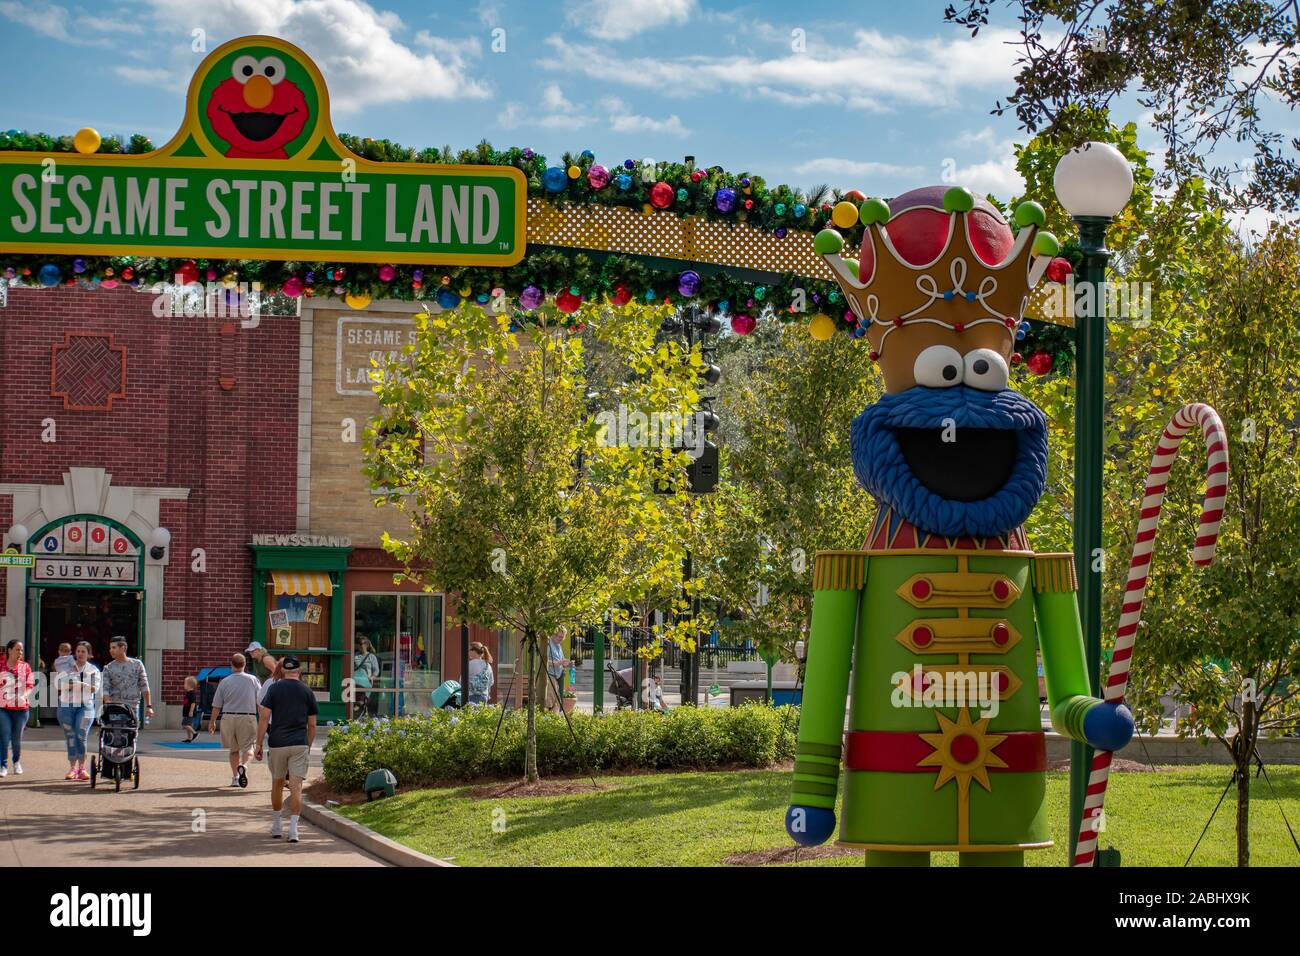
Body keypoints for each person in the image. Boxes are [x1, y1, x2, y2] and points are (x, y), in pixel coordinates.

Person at [255, 657, 317, 843]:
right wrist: (308, 745)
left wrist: (258, 743)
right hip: (299, 743)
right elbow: (312, 725)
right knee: (296, 787)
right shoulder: (307, 691)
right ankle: (293, 830)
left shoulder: (274, 688)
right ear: (299, 671)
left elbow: (264, 717)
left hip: (277, 742)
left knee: (277, 784)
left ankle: (276, 825)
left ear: (283, 671)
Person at [209, 653, 261, 788]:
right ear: (244, 665)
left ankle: (235, 778)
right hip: (248, 716)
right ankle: (244, 766)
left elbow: (217, 705)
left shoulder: (225, 681)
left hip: (228, 717)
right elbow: (261, 701)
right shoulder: (253, 680)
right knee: (249, 747)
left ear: (231, 665)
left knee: (233, 750)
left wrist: (212, 721)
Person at [55, 641, 100, 780]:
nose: (80, 654)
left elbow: (95, 688)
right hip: (66, 706)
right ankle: (72, 768)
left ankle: (82, 768)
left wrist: (81, 684)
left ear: (89, 654)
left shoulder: (93, 670)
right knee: (71, 735)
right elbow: (58, 685)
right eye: (78, 651)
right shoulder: (67, 667)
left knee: (81, 735)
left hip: (85, 706)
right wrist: (68, 683)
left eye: (83, 652)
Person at [0, 640, 34, 777]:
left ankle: (16, 762)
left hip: (21, 710)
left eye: (21, 650)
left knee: (16, 740)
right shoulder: (1, 665)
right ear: (9, 650)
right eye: (17, 649)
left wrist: (24, 696)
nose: (20, 652)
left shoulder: (25, 667)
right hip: (3, 708)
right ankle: (3, 765)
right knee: (4, 736)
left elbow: (30, 685)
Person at [100, 637, 153, 725]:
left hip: (132, 707)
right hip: (115, 708)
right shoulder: (108, 668)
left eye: (114, 647)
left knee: (130, 736)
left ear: (123, 648)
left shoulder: (137, 664)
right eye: (110, 648)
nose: (110, 650)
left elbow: (144, 686)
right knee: (116, 736)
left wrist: (149, 706)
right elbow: (105, 689)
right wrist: (108, 705)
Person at [352, 637, 380, 717]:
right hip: (355, 679)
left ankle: (360, 705)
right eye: (358, 644)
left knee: (363, 696)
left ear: (366, 645)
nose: (360, 646)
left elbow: (376, 671)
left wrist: (372, 677)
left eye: (361, 644)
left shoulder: (372, 657)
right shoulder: (355, 655)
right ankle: (358, 706)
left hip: (365, 681)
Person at [546, 631, 571, 713]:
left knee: (557, 698)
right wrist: (556, 663)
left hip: (558, 674)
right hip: (550, 674)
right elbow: (544, 660)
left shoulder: (558, 645)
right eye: (559, 637)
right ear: (554, 635)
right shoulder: (548, 644)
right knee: (551, 697)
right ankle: (549, 716)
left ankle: (555, 716)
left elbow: (561, 659)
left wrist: (565, 663)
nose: (561, 639)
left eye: (562, 637)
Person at [181, 676, 201, 743]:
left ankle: (195, 733)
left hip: (190, 712)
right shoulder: (188, 693)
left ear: (189, 685)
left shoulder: (191, 694)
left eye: (185, 683)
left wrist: (191, 711)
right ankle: (189, 738)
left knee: (185, 724)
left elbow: (193, 703)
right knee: (188, 725)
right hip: (186, 712)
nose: (184, 685)